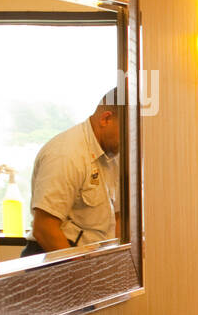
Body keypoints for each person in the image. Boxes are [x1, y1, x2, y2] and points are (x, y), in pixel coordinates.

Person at [20, 92, 123, 257]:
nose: (131, 139)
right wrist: (78, 275)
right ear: (105, 119)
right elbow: (45, 228)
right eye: (128, 131)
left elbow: (118, 218)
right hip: (55, 260)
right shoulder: (66, 154)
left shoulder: (112, 156)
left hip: (92, 259)